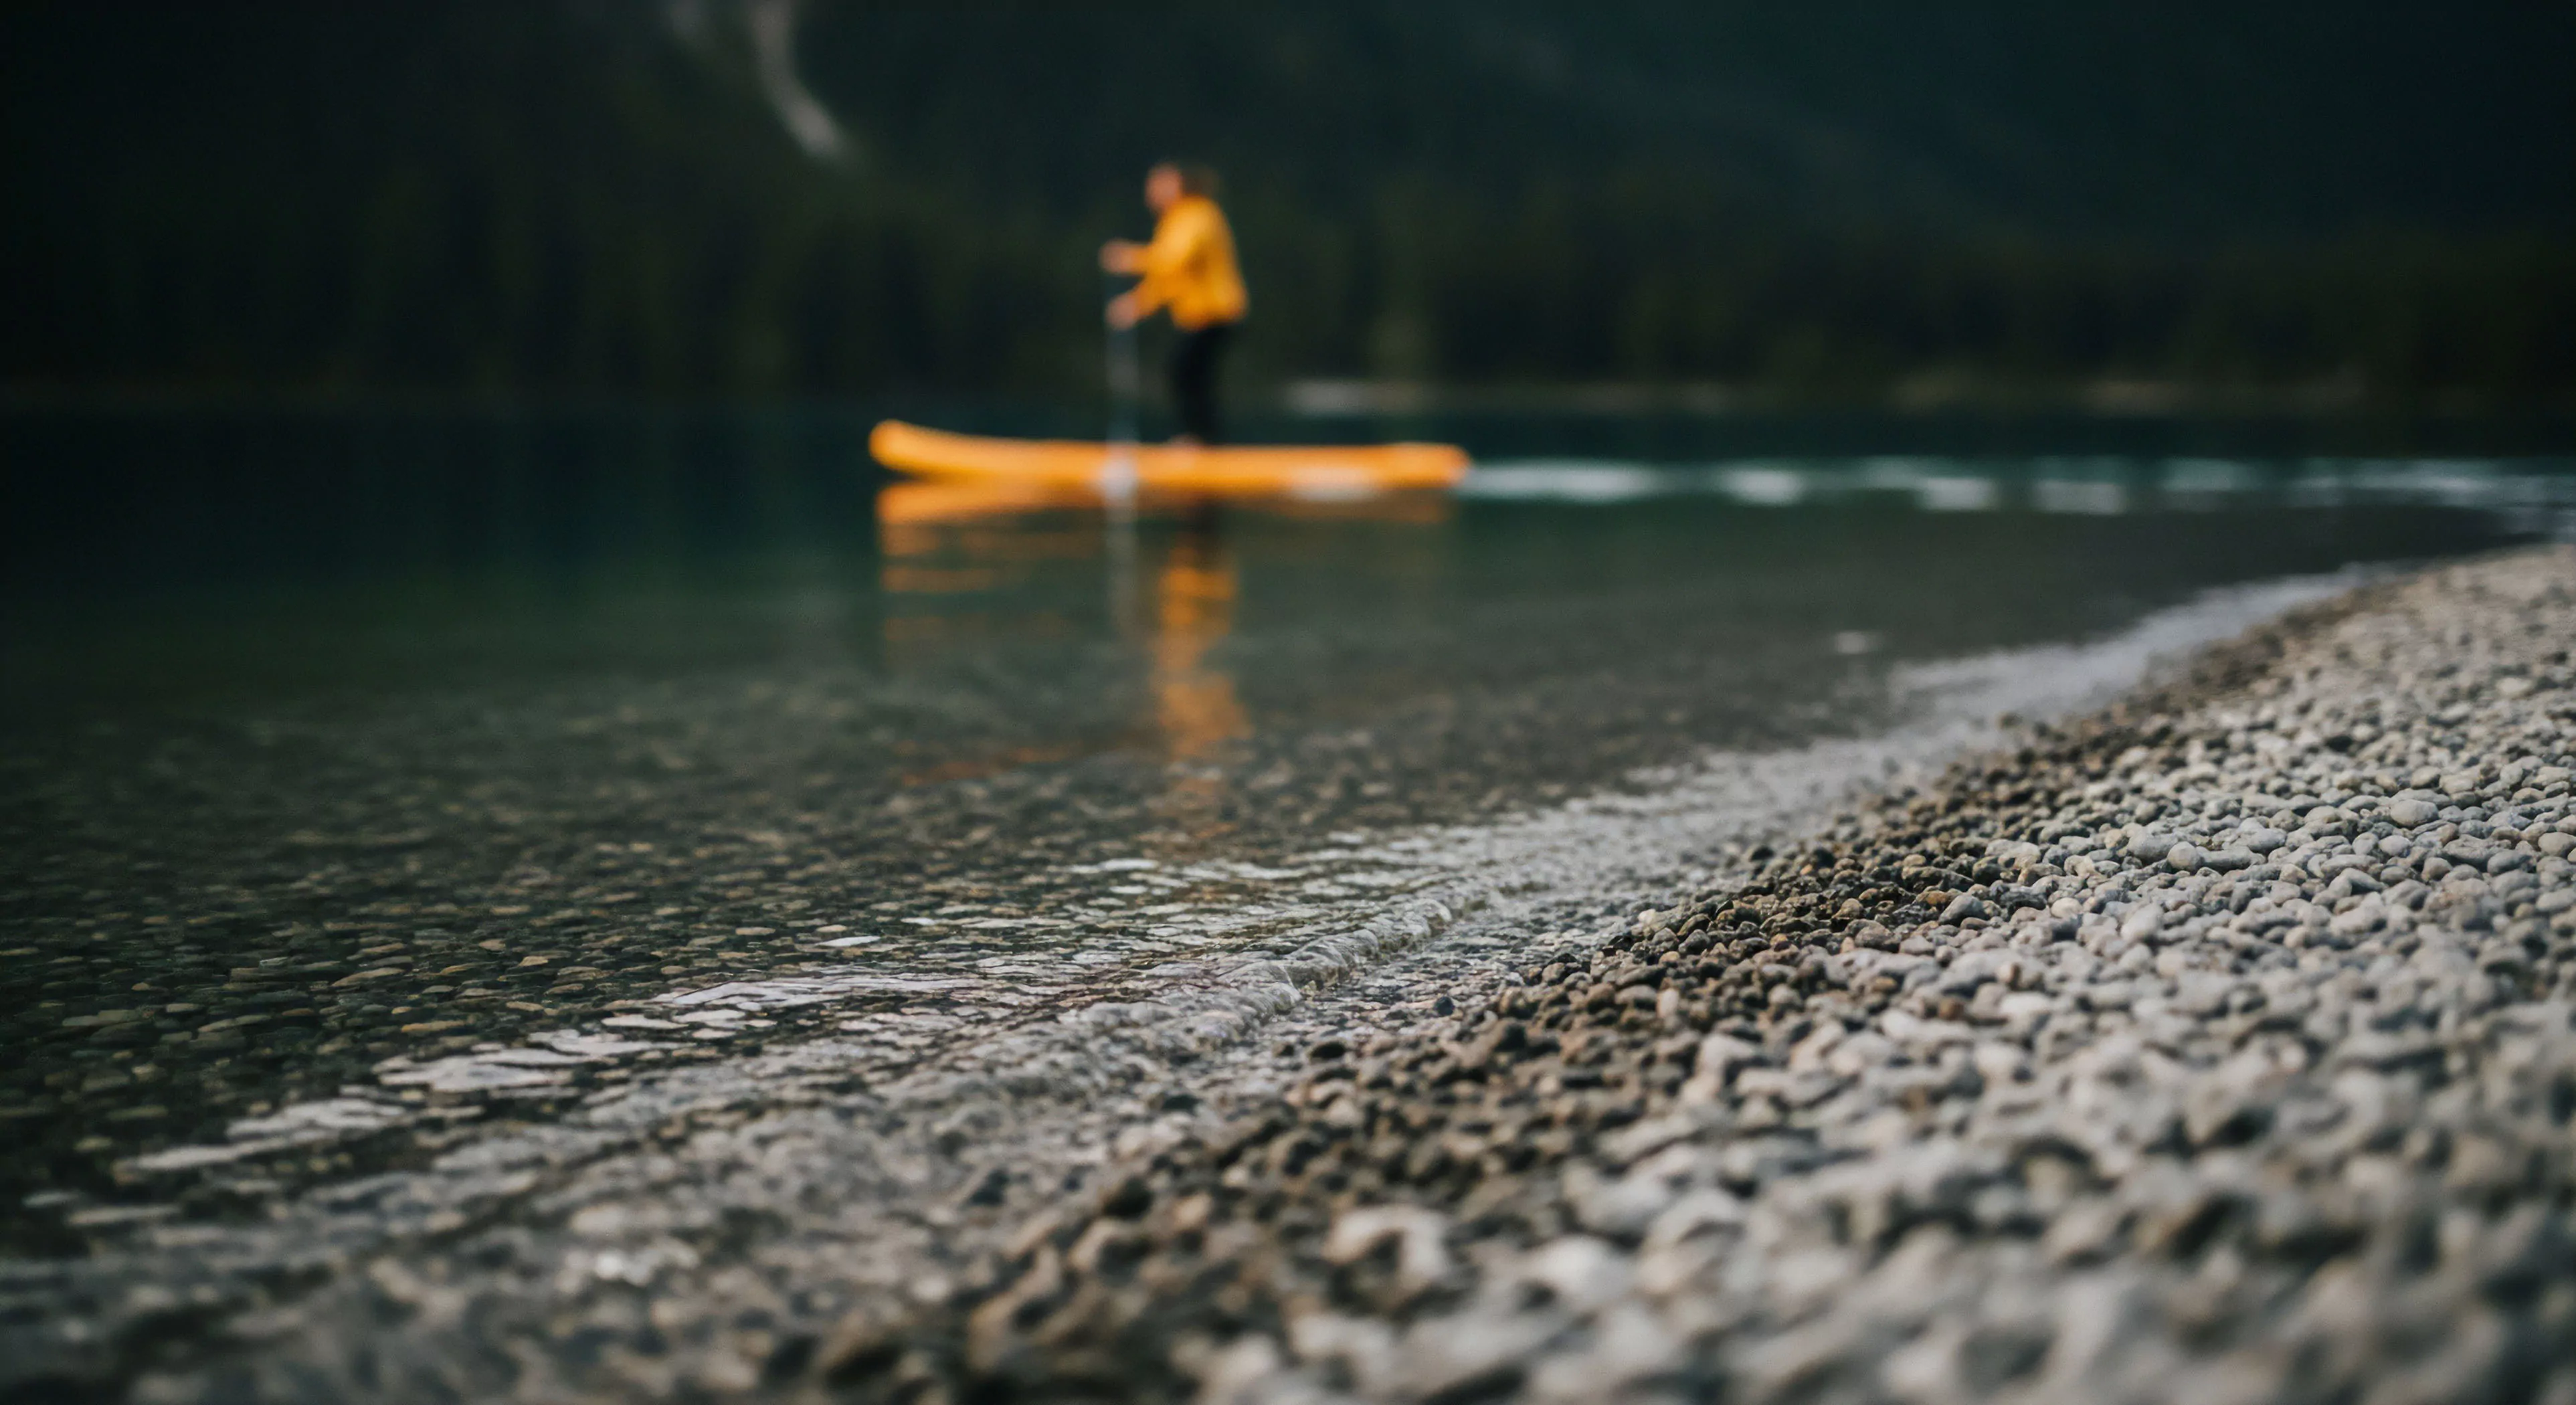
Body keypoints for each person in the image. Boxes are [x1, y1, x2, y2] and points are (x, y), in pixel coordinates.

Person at [1101, 163, 1247, 446]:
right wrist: (1135, 304)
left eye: (1161, 185)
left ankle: (1202, 440)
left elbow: (1174, 260)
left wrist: (1129, 258)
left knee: (1186, 373)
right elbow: (1168, 279)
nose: (1153, 192)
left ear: (1180, 186)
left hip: (1216, 312)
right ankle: (1203, 439)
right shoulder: (1175, 221)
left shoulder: (1198, 214)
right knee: (1188, 374)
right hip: (1199, 316)